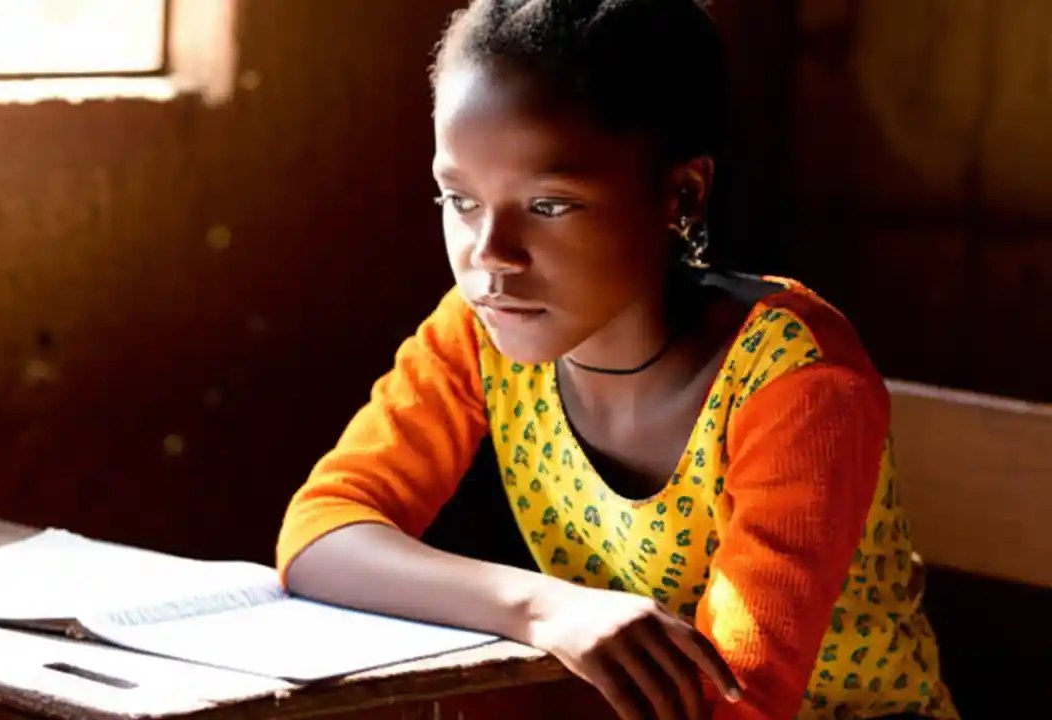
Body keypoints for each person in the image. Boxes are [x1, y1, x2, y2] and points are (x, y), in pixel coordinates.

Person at [276, 1, 956, 718]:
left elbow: (739, 697)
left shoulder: (796, 382)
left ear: (682, 193)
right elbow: (323, 530)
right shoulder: (483, 334)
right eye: (460, 199)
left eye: (550, 205)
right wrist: (542, 608)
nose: (490, 256)